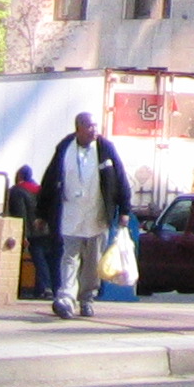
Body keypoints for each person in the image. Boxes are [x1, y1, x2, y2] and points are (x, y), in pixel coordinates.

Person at [36, 113, 129, 320]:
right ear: (78, 129)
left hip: (96, 216)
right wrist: (41, 213)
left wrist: (124, 209)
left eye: (95, 126)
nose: (94, 130)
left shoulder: (105, 148)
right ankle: (66, 297)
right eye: (89, 126)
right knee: (69, 258)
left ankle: (87, 299)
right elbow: (49, 180)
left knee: (92, 262)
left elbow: (120, 178)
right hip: (70, 216)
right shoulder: (64, 148)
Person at [7, 164, 55, 301]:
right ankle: (42, 289)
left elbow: (20, 214)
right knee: (46, 260)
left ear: (19, 176)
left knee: (39, 260)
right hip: (46, 230)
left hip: (33, 233)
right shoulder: (40, 190)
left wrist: (23, 235)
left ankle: (45, 288)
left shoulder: (17, 191)